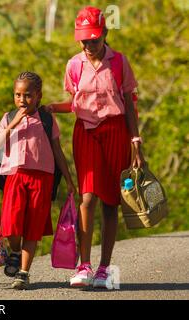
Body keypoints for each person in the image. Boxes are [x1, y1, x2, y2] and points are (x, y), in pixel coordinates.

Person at [45, 6, 145, 288]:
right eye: (84, 40)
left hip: (116, 132)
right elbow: (76, 104)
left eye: (94, 40)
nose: (89, 45)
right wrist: (52, 107)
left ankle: (104, 268)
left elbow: (129, 105)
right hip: (85, 132)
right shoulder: (74, 65)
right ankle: (84, 264)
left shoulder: (119, 63)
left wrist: (136, 142)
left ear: (105, 34)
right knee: (87, 197)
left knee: (111, 201)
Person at [0, 71, 76, 290]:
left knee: (32, 227)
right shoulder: (8, 117)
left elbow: (57, 151)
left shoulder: (48, 119)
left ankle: (23, 272)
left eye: (28, 95)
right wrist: (15, 123)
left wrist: (69, 180)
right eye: (18, 95)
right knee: (11, 226)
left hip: (42, 178)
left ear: (38, 96)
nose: (22, 100)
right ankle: (14, 251)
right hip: (15, 176)